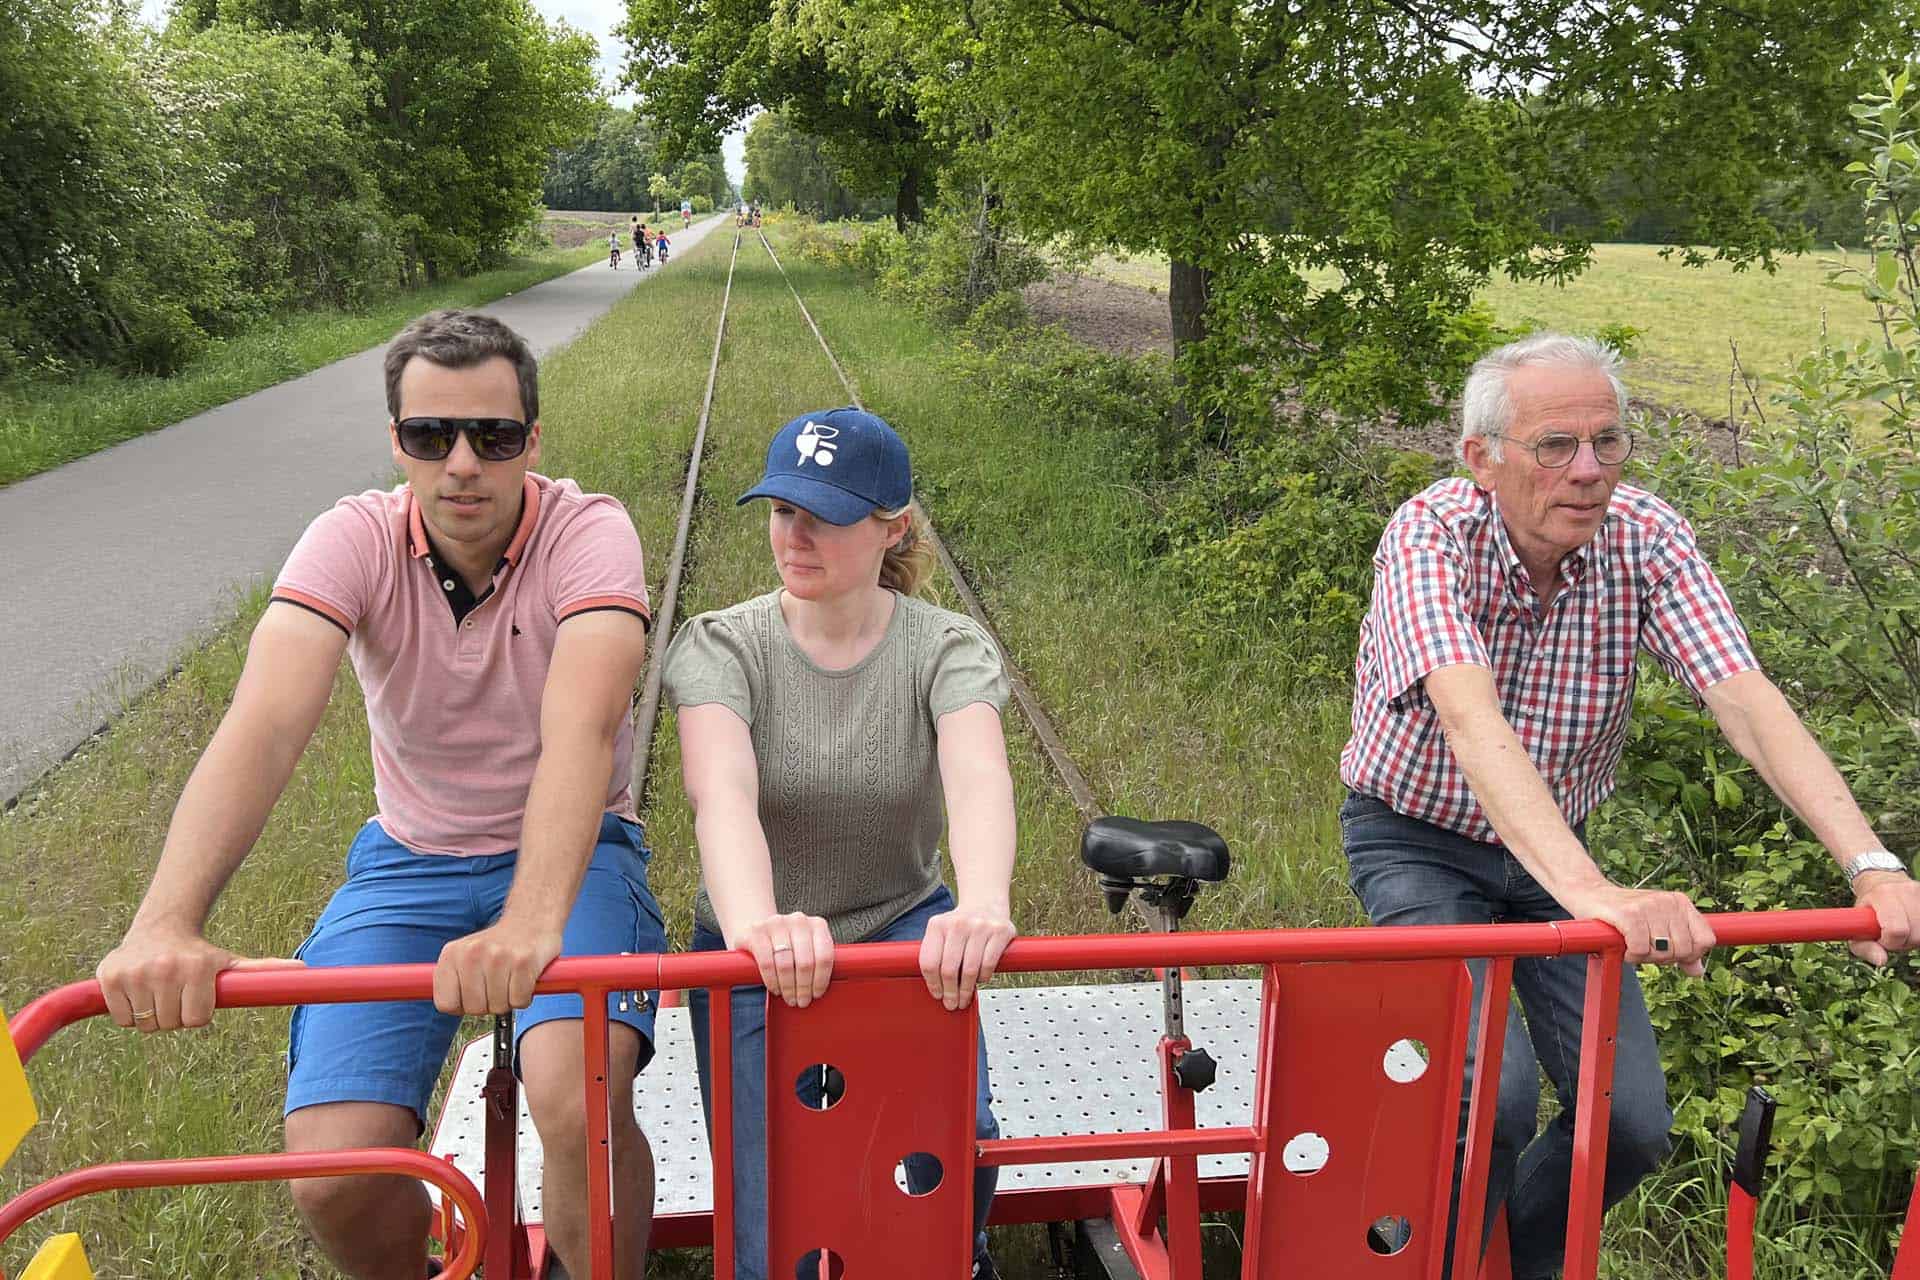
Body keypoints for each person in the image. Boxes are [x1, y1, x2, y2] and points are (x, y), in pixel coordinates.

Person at [95, 309, 666, 1280]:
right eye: (430, 435)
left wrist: (532, 922)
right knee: (333, 1171)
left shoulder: (590, 531)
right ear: (396, 442)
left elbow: (582, 727)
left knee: (577, 1101)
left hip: (577, 858)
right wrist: (165, 922)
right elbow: (264, 723)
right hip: (409, 860)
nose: (462, 465)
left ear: (533, 440)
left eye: (492, 437)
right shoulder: (350, 537)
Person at [1339, 332, 1920, 1279]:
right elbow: (1469, 717)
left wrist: (1873, 865)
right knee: (1490, 1099)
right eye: (1555, 445)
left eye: (1607, 441)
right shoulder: (1429, 534)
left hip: (1555, 849)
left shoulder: (1646, 535)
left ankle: (1513, 1265)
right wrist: (1595, 893)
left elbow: (1745, 700)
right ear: (1482, 458)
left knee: (1631, 1124)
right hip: (1418, 839)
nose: (1589, 470)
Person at [663, 407, 1017, 1280]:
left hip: (897, 924)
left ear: (893, 526)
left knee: (956, 1139)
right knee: (768, 1205)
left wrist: (982, 905)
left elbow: (978, 778)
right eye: (784, 509)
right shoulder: (723, 645)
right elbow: (721, 796)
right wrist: (757, 926)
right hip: (754, 946)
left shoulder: (943, 648)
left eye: (826, 514)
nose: (796, 535)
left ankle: (955, 1258)